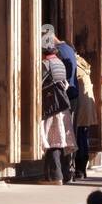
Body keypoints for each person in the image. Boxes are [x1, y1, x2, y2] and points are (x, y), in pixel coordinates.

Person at [40, 34, 75, 184]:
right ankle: (64, 174)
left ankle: (55, 176)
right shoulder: (59, 63)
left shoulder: (45, 64)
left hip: (51, 107)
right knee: (61, 141)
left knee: (52, 141)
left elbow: (38, 83)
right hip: (62, 105)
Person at [73, 48, 99, 180]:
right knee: (83, 137)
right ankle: (82, 170)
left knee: (79, 139)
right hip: (87, 107)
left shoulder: (74, 63)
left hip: (80, 106)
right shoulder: (82, 63)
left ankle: (79, 170)